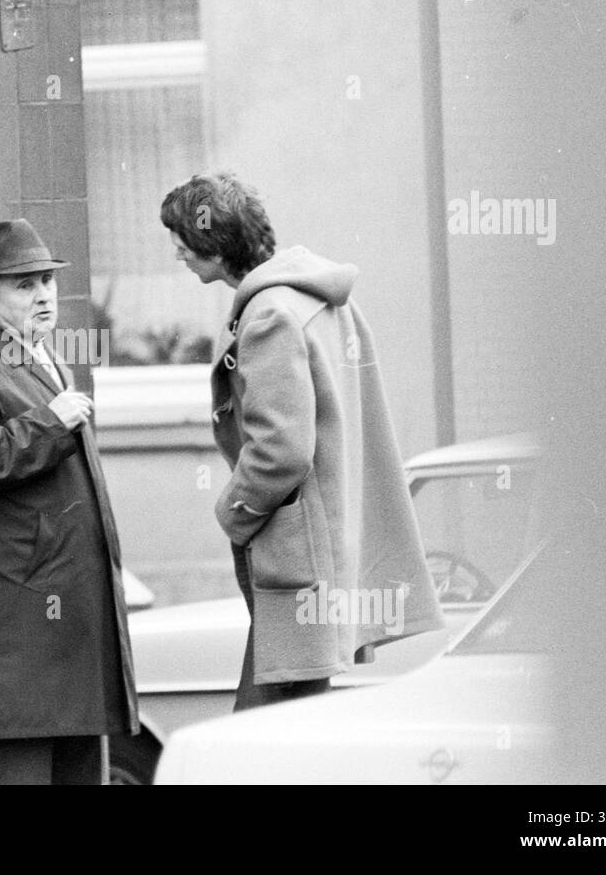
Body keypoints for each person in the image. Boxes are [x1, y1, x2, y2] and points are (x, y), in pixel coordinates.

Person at [160, 171, 443, 711]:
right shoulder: (320, 299)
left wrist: (232, 514)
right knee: (290, 728)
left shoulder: (268, 315)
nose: (177, 253)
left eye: (182, 240)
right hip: (326, 555)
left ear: (215, 244)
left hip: (295, 562)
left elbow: (282, 451)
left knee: (262, 740)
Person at [0, 218, 138, 784]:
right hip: (15, 638)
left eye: (46, 280)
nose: (43, 294)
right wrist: (50, 423)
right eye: (24, 285)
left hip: (63, 631)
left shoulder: (47, 360)